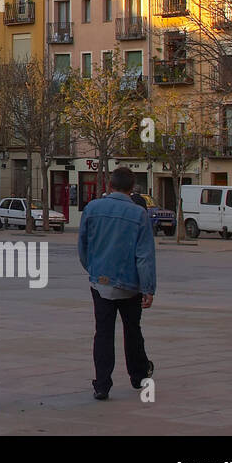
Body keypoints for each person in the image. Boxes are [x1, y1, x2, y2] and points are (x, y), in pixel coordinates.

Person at [78, 166, 156, 401]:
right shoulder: (139, 214)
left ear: (109, 186)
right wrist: (148, 288)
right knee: (132, 330)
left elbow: (83, 246)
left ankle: (102, 385)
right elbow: (144, 255)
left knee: (103, 333)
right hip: (130, 283)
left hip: (100, 282)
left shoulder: (92, 209)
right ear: (132, 189)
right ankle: (139, 375)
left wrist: (93, 270)